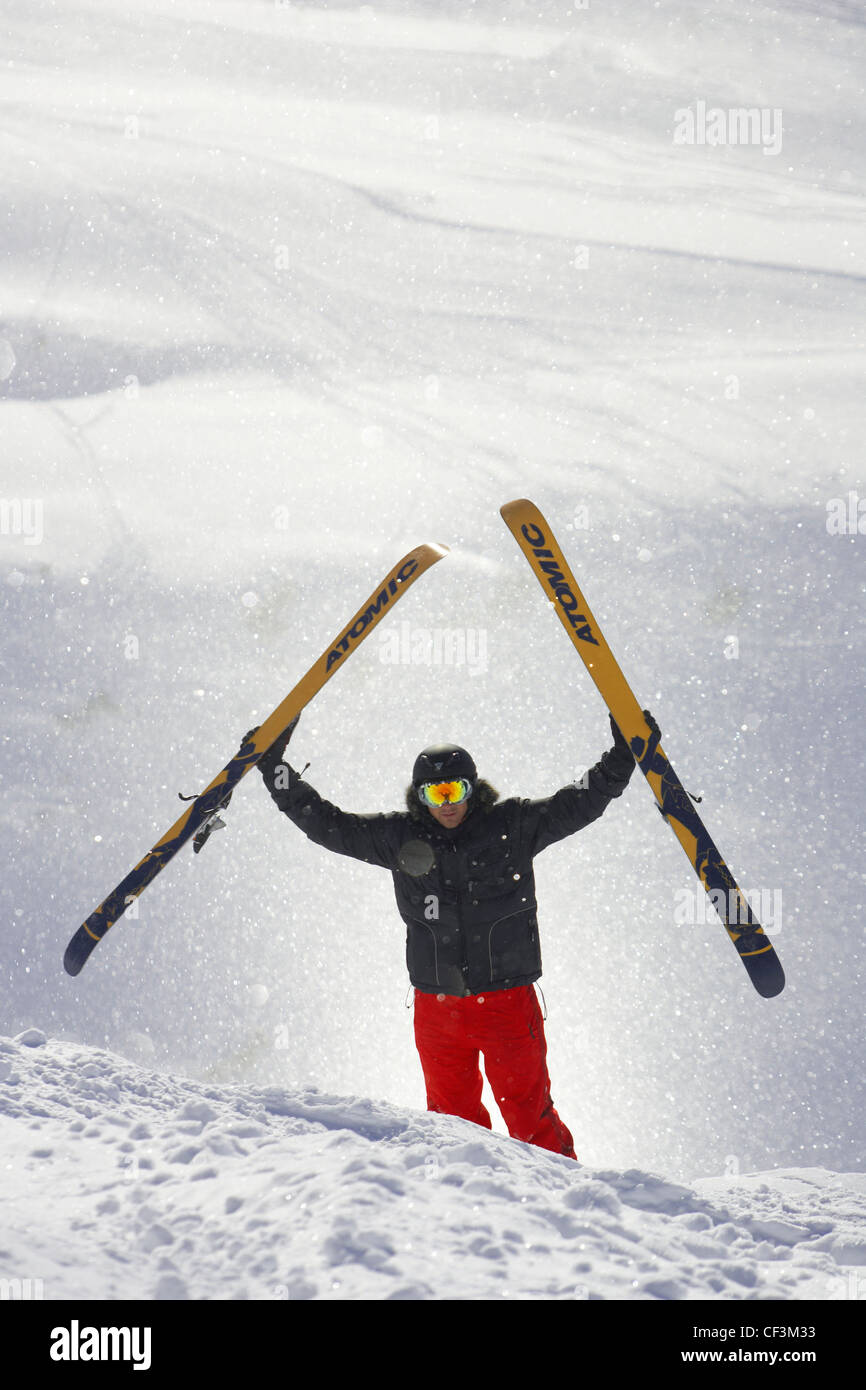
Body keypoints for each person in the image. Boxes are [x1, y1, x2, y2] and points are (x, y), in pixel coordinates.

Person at [248, 709, 658, 1162]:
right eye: (434, 793)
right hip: (437, 1010)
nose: (446, 803)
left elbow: (582, 802)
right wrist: (276, 773)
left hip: (506, 1004)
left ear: (473, 789)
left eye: (456, 790)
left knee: (529, 1118)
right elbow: (327, 824)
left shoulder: (514, 826)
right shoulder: (399, 837)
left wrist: (623, 755)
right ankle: (467, 1210)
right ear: (419, 797)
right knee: (451, 1125)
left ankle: (562, 1207)